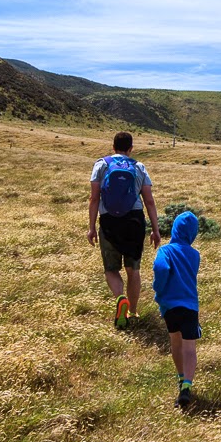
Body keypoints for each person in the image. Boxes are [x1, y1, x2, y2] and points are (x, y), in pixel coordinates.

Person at [87, 131, 159, 328]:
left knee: (111, 268)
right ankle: (133, 311)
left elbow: (94, 199)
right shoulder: (139, 167)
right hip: (134, 221)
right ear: (131, 148)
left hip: (109, 220)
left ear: (113, 147)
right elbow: (149, 201)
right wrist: (155, 229)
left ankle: (120, 298)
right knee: (133, 270)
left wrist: (92, 227)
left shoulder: (101, 164)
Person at [153, 209, 203, 407]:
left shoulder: (165, 251)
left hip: (170, 305)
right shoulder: (195, 255)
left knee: (175, 342)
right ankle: (187, 386)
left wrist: (158, 287)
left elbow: (161, 268)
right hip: (190, 305)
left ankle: (181, 377)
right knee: (190, 346)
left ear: (174, 229)